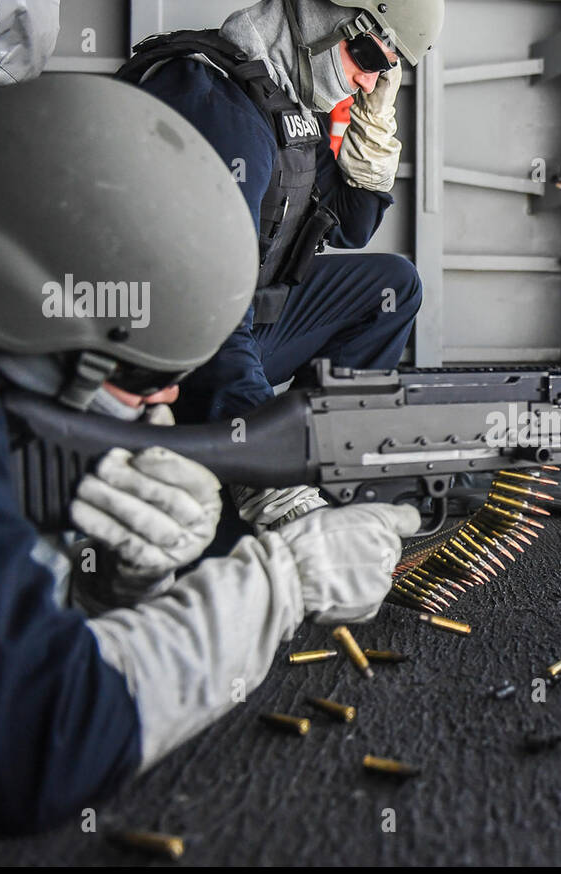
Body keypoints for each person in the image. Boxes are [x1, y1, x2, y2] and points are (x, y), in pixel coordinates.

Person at [0, 74, 420, 832]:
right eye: (145, 378)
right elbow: (39, 738)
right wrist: (285, 580)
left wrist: (108, 586)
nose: (163, 408)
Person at [116, 0, 444, 533]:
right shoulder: (215, 106)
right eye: (364, 54)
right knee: (264, 490)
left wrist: (374, 121)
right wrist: (270, 473)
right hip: (162, 350)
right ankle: (257, 481)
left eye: (385, 70)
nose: (366, 79)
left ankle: (323, 461)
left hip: (234, 322)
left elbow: (351, 225)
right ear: (312, 20)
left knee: (392, 287)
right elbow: (202, 308)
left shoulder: (279, 99)